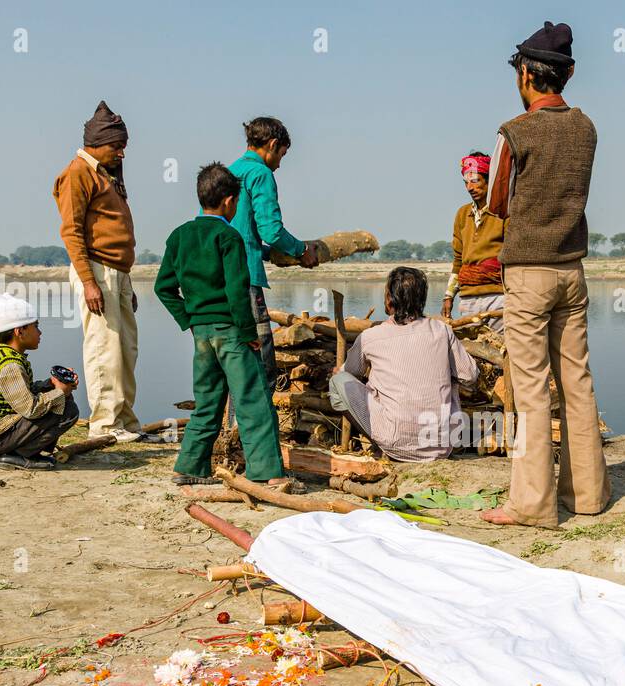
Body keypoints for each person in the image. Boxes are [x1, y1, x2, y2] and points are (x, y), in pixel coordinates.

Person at [480, 21, 610, 528]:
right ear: (567, 73)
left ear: (527, 75)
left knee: (531, 389)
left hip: (529, 275)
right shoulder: (587, 128)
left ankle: (532, 505)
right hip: (571, 270)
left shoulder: (514, 132)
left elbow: (495, 203)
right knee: (577, 382)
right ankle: (587, 496)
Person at [154, 163, 293, 490]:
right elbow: (236, 289)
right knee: (253, 400)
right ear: (230, 201)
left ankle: (189, 467)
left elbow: (163, 288)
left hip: (201, 335)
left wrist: (188, 319)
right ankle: (267, 472)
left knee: (207, 403)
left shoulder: (179, 236)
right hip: (231, 332)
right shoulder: (228, 236)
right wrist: (249, 334)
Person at [53, 100, 160, 445]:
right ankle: (104, 424)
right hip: (97, 271)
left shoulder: (105, 174)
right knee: (104, 348)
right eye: (118, 146)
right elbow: (71, 231)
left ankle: (125, 421)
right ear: (98, 143)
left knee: (126, 349)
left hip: (116, 273)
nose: (122, 153)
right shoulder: (77, 174)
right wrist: (88, 281)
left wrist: (124, 284)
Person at [329, 267, 478, 462]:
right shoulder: (441, 330)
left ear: (390, 300)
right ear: (421, 300)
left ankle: (379, 443)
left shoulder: (370, 337)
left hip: (394, 441)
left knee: (338, 382)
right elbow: (470, 375)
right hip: (442, 444)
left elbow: (350, 372)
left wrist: (340, 372)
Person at [229, 117, 318, 379]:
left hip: (220, 276)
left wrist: (272, 254)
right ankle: (257, 419)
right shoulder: (261, 174)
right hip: (244, 277)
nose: (280, 163)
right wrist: (301, 250)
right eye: (282, 154)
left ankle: (231, 419)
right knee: (260, 362)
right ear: (272, 144)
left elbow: (244, 235)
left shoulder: (230, 171)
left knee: (235, 358)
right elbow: (271, 230)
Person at [0, 293, 79, 470]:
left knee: (63, 401)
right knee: (68, 410)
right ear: (20, 331)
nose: (40, 332)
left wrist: (52, 384)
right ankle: (17, 455)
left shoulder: (7, 356)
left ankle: (23, 451)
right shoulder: (10, 366)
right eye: (36, 326)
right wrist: (60, 391)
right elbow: (30, 409)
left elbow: (22, 393)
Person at [440, 151, 507, 331]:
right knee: (473, 354)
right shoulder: (462, 215)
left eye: (475, 181)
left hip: (498, 296)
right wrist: (448, 296)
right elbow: (458, 260)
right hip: (467, 298)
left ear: (489, 180)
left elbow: (513, 256)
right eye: (466, 182)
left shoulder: (504, 212)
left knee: (500, 349)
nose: (470, 187)